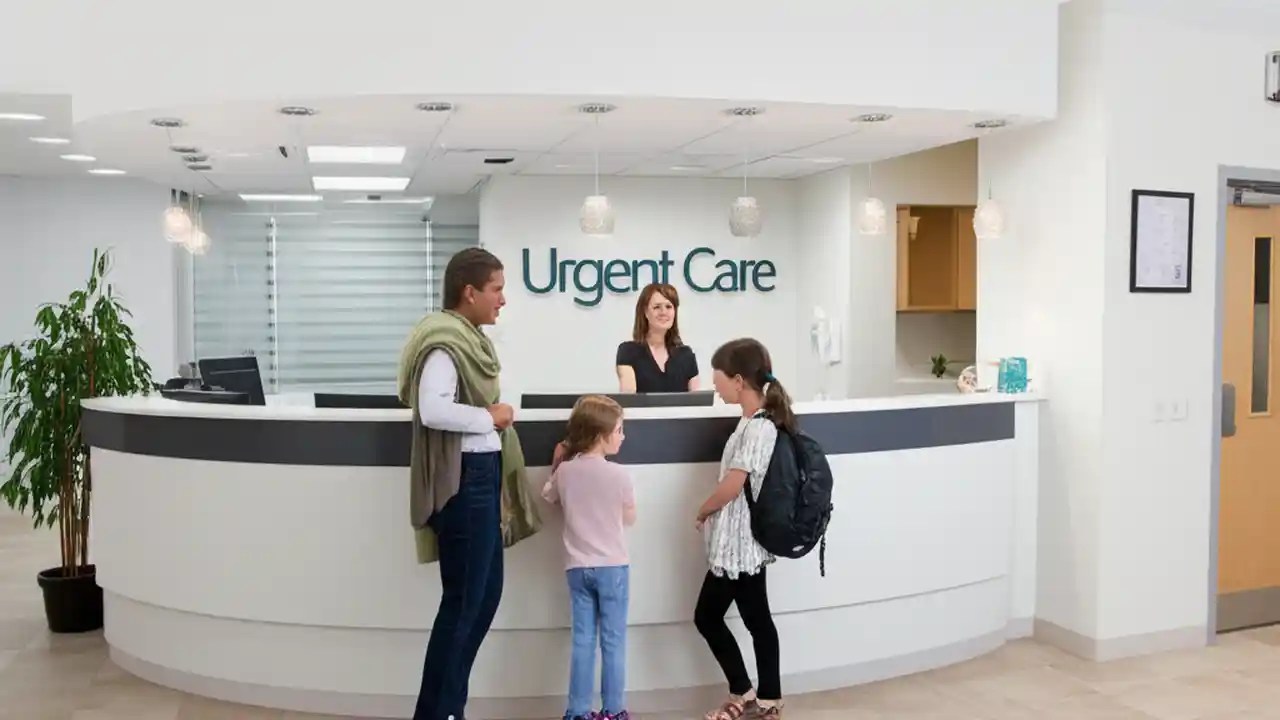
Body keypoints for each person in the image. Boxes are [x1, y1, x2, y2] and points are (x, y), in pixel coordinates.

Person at [397, 247, 542, 720]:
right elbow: (432, 409)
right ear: (470, 291)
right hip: (466, 484)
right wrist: (491, 416)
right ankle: (438, 713)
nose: (502, 300)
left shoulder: (468, 339)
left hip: (481, 479)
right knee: (464, 604)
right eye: (497, 289)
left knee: (481, 599)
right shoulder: (444, 342)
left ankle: (447, 708)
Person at [693, 338, 791, 720]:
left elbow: (734, 485)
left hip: (739, 545)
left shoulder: (759, 427)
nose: (715, 387)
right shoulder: (752, 421)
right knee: (756, 620)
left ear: (737, 380)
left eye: (718, 379)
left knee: (709, 617)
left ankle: (752, 694)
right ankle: (762, 697)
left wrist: (703, 510)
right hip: (739, 541)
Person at [542, 395, 636, 720]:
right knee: (613, 642)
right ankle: (613, 711)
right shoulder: (619, 475)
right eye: (620, 430)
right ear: (601, 434)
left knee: (583, 640)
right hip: (613, 568)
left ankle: (578, 712)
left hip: (577, 569)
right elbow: (630, 517)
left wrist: (558, 463)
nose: (623, 436)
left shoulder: (566, 472)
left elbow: (549, 497)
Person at [615, 283, 699, 393]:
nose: (663, 312)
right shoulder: (628, 351)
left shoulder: (686, 355)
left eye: (668, 307)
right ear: (645, 312)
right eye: (657, 307)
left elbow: (698, 402)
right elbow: (630, 401)